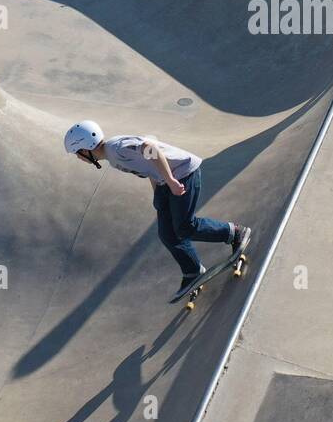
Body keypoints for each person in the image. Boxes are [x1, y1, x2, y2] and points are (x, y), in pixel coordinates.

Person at [64, 121, 252, 299]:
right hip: (165, 183)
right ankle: (192, 270)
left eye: (77, 154)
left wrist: (170, 181)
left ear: (85, 149)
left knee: (185, 227)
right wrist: (159, 194)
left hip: (184, 174)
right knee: (167, 233)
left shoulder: (116, 148)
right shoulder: (113, 157)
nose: (78, 158)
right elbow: (148, 167)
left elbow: (151, 149)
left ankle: (234, 233)